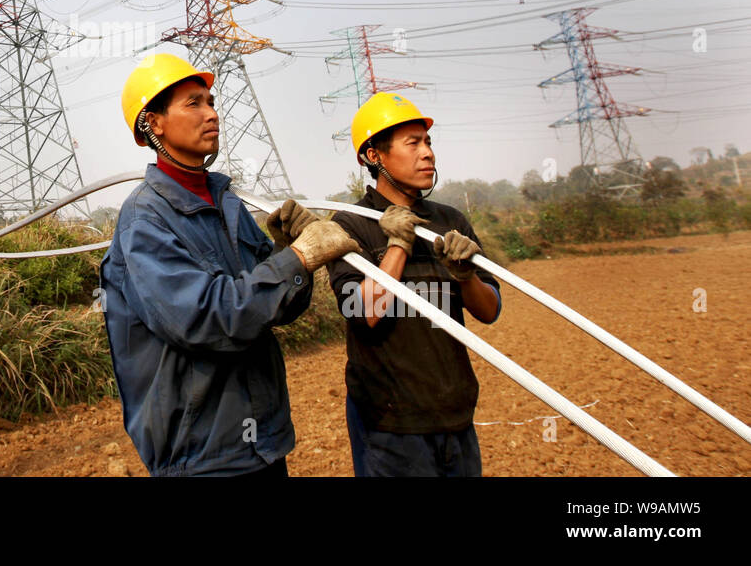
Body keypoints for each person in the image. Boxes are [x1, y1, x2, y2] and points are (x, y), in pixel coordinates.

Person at [100, 53, 358, 477]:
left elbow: (275, 309)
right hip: (202, 456)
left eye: (211, 101)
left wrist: (286, 254)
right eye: (194, 103)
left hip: (263, 443)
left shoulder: (227, 202)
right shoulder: (144, 222)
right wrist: (299, 257)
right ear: (153, 123)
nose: (212, 114)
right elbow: (205, 319)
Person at [325, 92, 502, 477]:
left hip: (454, 413)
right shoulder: (350, 225)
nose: (428, 154)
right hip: (388, 425)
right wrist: (398, 244)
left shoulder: (449, 220)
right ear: (374, 156)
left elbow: (489, 310)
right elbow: (364, 312)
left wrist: (465, 274)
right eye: (413, 143)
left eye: (428, 142)